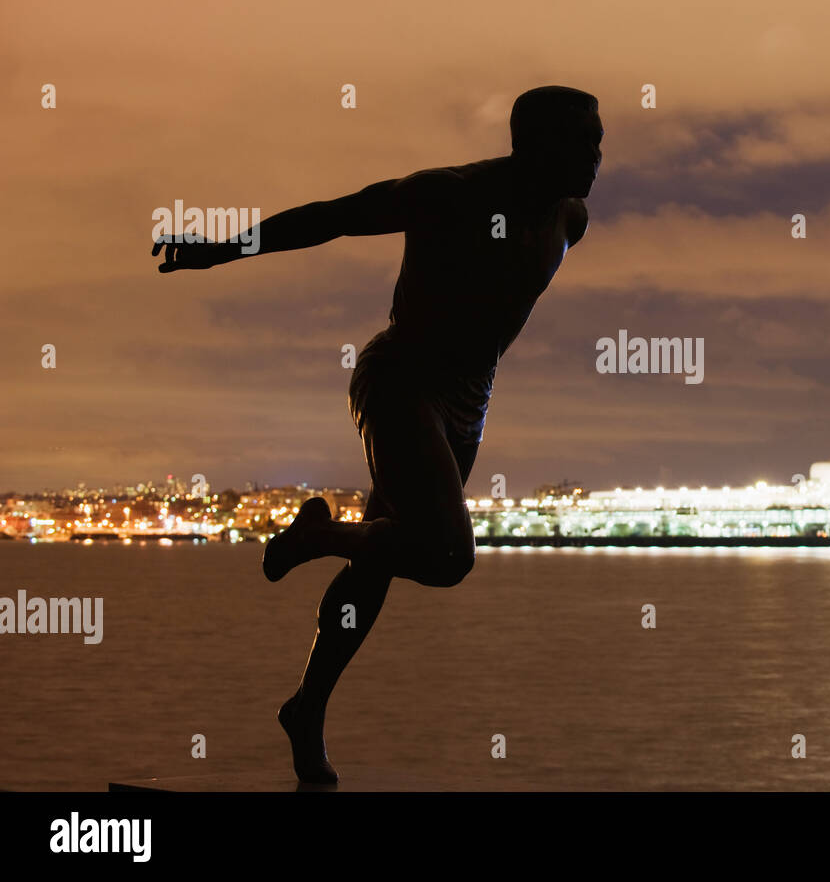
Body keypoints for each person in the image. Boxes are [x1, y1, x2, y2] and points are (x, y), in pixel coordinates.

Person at [153, 86, 602, 782]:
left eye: (599, 138)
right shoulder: (447, 195)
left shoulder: (570, 219)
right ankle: (313, 537)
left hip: (468, 405)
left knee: (382, 560)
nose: (598, 153)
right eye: (583, 140)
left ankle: (306, 709)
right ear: (534, 145)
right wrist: (217, 249)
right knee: (446, 553)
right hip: (401, 380)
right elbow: (332, 217)